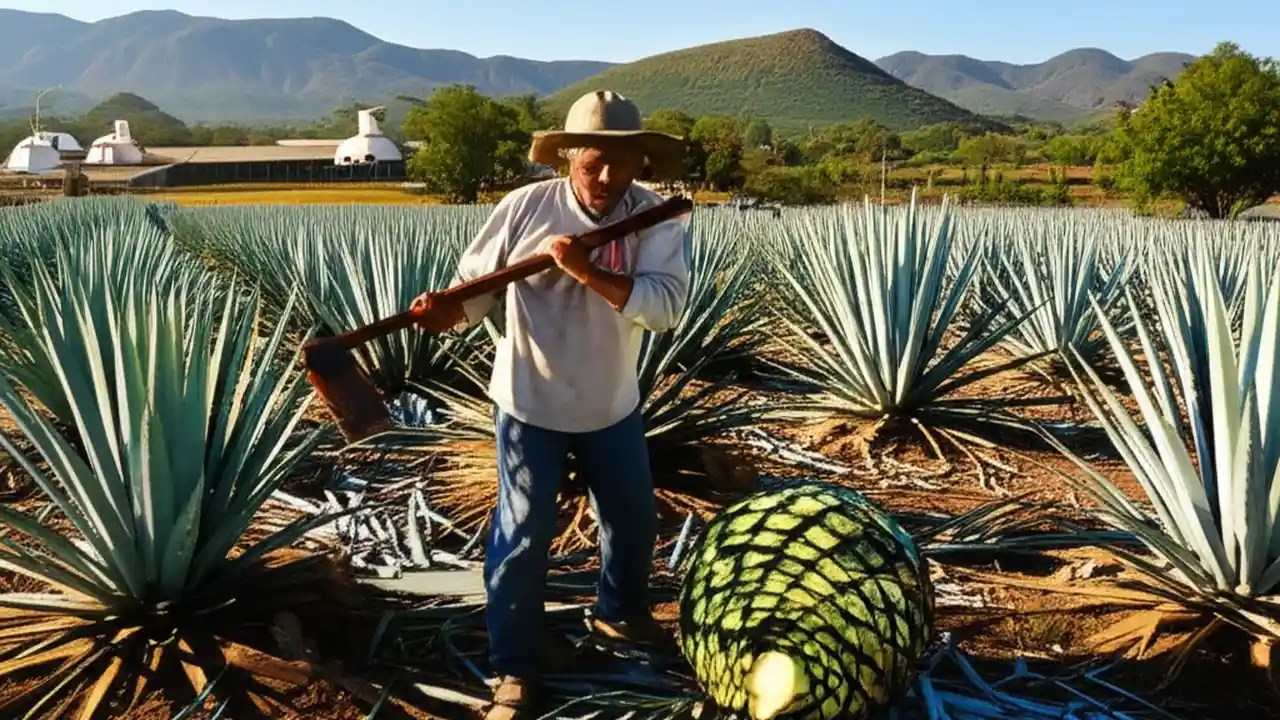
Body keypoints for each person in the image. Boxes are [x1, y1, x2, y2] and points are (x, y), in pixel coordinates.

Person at [410, 90, 692, 719]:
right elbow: (474, 294)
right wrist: (446, 311)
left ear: (640, 161)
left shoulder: (658, 219)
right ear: (568, 158)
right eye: (593, 163)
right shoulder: (523, 210)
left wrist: (586, 269)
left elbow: (665, 308)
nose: (606, 178)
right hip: (529, 402)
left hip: (610, 402)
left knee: (631, 520)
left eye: (621, 164)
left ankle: (620, 616)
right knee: (522, 535)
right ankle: (514, 668)